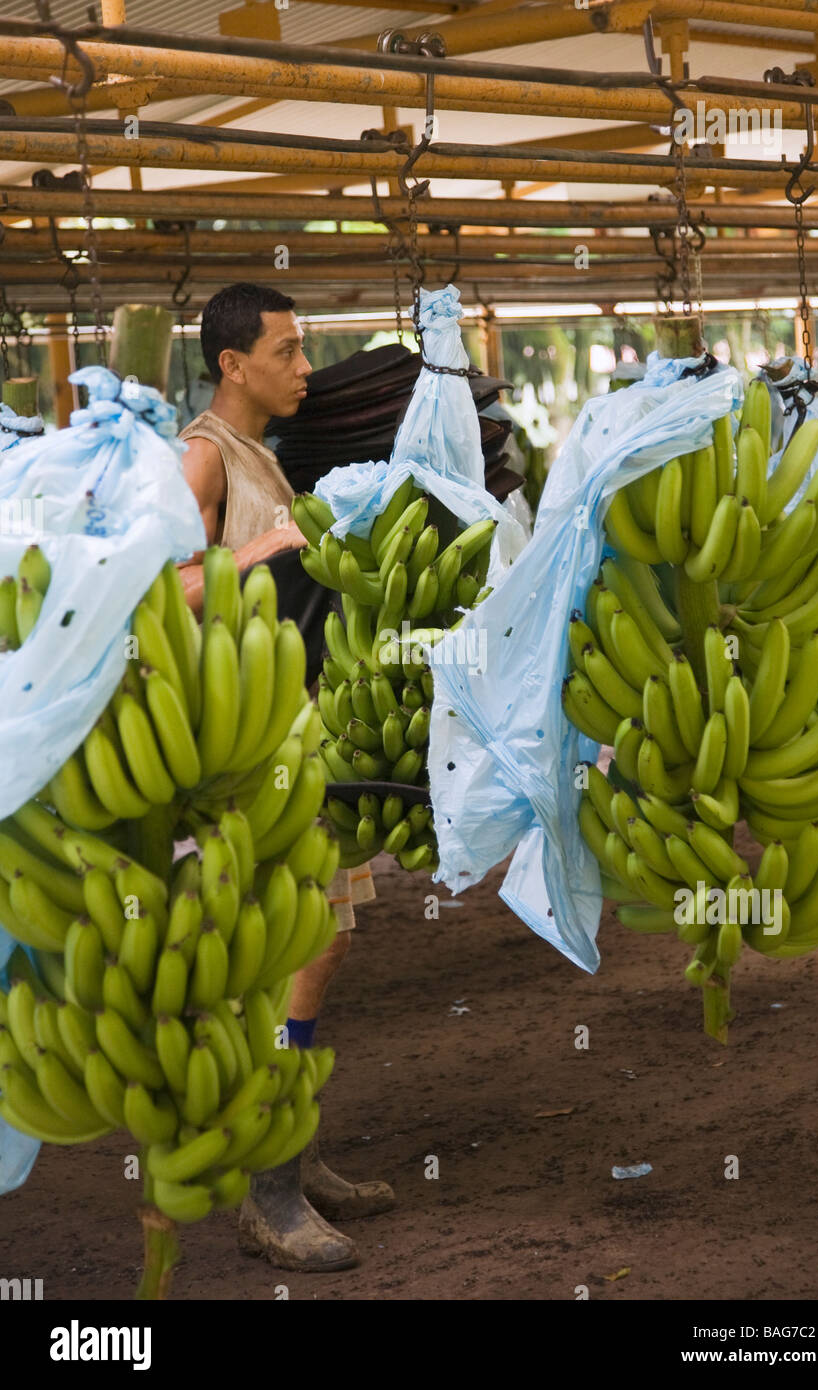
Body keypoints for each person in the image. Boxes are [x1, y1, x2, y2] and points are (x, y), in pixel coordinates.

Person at [178, 284, 393, 1272]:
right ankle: (267, 1190)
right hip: (248, 756)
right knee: (290, 954)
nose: (305, 367)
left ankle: (294, 1148)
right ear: (232, 362)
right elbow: (164, 589)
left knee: (326, 940)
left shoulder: (260, 454)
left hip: (301, 741)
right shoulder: (202, 456)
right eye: (288, 350)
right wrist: (262, 563)